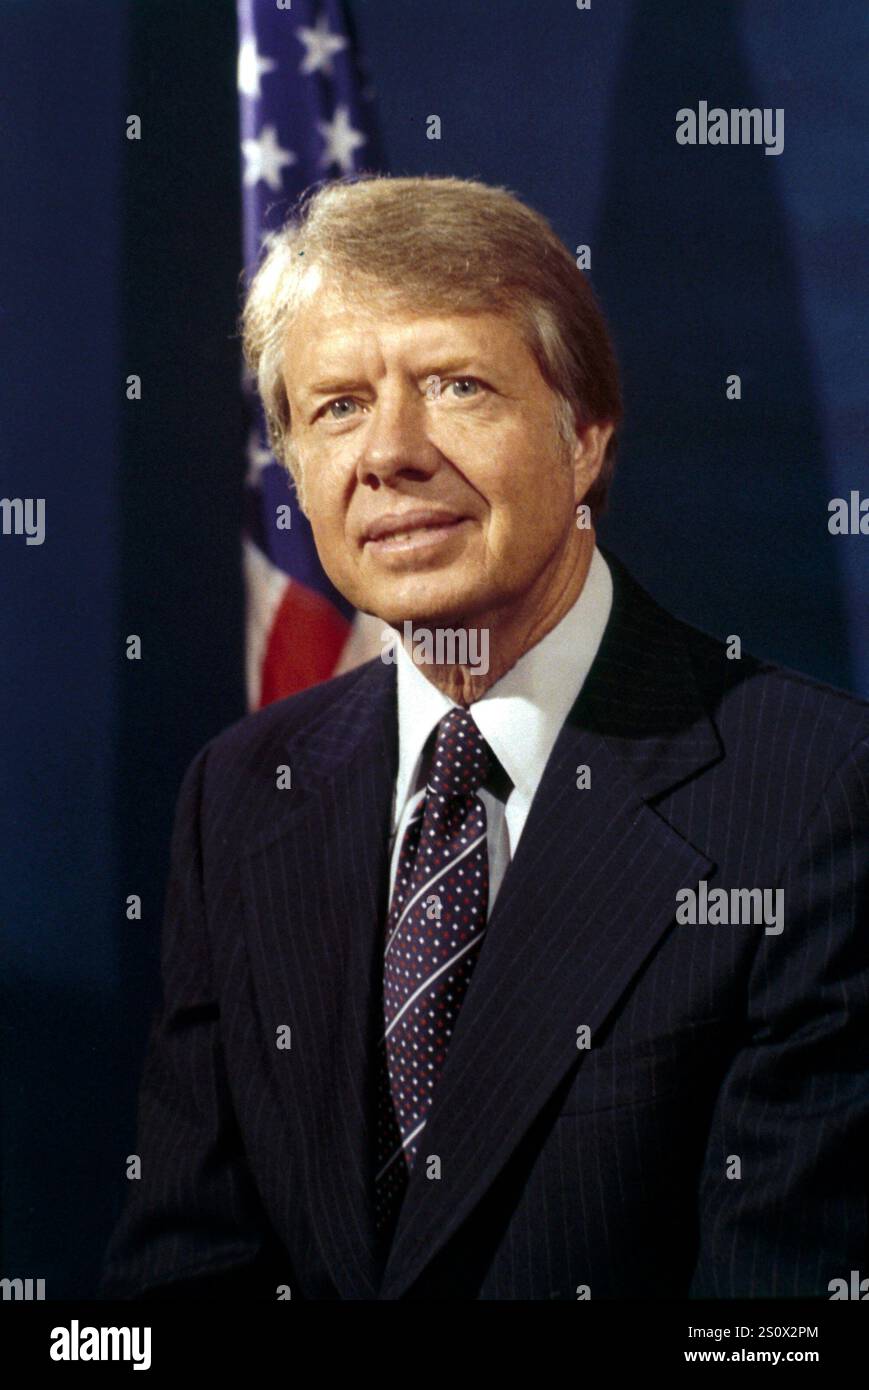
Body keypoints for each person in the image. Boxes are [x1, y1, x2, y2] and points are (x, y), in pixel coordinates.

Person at [99, 175, 869, 1300]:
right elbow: (177, 1277)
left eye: (455, 385)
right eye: (337, 407)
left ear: (585, 433)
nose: (390, 452)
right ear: (299, 478)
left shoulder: (814, 794)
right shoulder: (242, 791)